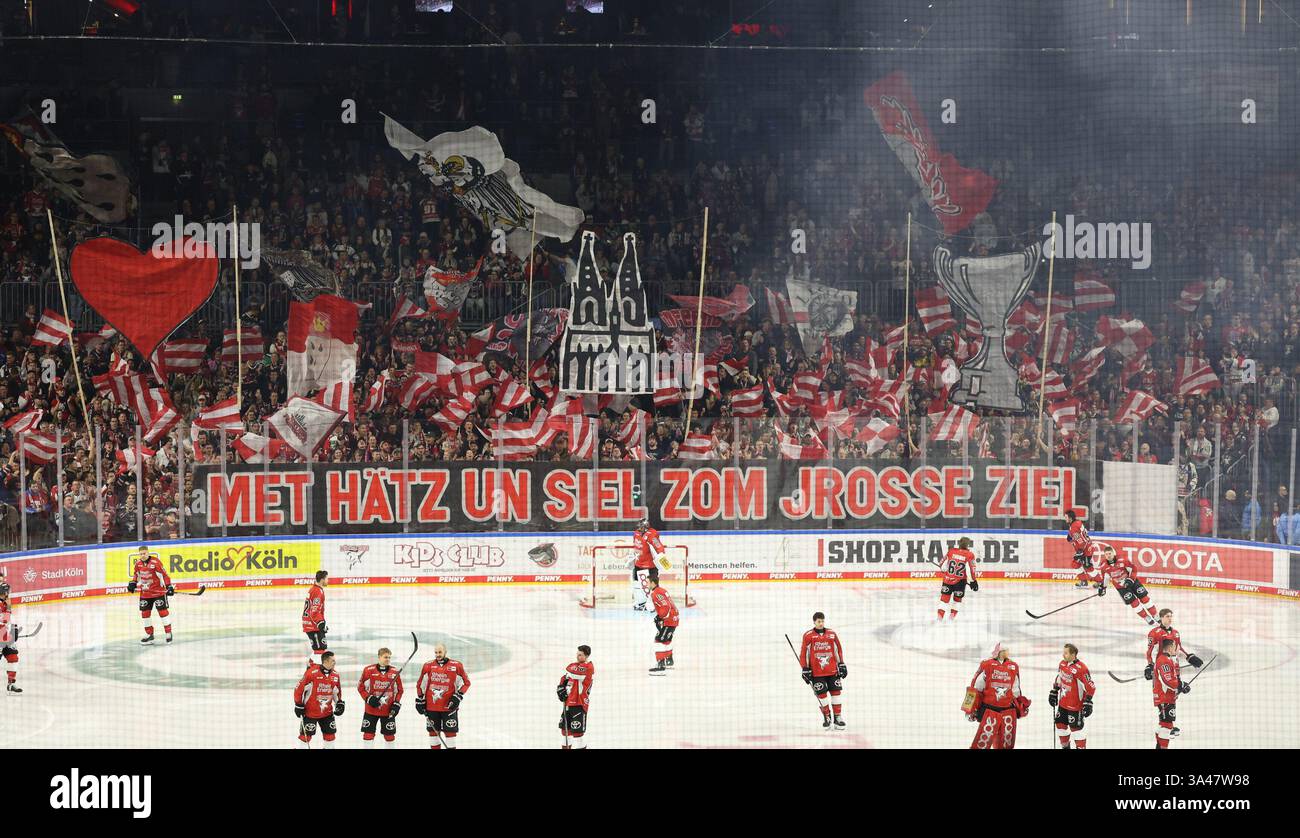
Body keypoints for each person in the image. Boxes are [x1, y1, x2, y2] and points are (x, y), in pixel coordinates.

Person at [965, 642, 1029, 749]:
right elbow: (976, 688)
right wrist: (969, 709)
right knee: (982, 743)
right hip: (989, 711)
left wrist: (1020, 706)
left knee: (1005, 744)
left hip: (1007, 711)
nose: (1007, 652)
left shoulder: (1013, 666)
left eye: (1007, 650)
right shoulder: (987, 665)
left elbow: (1015, 689)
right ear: (999, 652)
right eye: (1005, 650)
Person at [415, 643, 471, 750]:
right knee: (433, 735)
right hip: (431, 707)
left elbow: (466, 683)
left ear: (445, 652)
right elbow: (420, 685)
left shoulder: (456, 666)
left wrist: (457, 697)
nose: (438, 654)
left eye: (440, 652)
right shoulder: (428, 666)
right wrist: (420, 700)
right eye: (436, 652)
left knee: (450, 735)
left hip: (449, 707)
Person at [799, 612, 847, 730]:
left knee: (836, 694)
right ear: (814, 622)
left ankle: (837, 717)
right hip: (817, 672)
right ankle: (827, 716)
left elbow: (838, 650)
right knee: (822, 696)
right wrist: (805, 668)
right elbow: (803, 654)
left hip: (832, 671)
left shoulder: (831, 634)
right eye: (819, 621)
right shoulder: (808, 636)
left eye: (822, 621)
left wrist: (841, 664)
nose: (821, 623)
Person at [1097, 544, 1159, 625]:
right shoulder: (1103, 566)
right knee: (1134, 603)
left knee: (1144, 598)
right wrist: (1102, 588)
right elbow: (1105, 578)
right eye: (1106, 554)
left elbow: (1134, 569)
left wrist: (1130, 580)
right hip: (1121, 588)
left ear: (1113, 553)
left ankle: (1155, 615)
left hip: (1132, 582)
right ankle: (1146, 617)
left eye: (1109, 553)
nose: (1108, 556)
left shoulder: (1123, 560)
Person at [1049, 643, 1095, 749]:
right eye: (1063, 652)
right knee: (1060, 725)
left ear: (1073, 654)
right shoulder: (1062, 664)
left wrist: (1088, 701)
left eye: (1066, 653)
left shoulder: (1081, 669)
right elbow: (1059, 678)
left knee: (1077, 729)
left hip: (1075, 706)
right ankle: (1065, 747)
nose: (1063, 655)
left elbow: (1091, 686)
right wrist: (1054, 691)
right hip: (1063, 703)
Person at [294, 651, 344, 749]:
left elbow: (336, 692)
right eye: (333, 660)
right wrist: (298, 704)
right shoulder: (311, 673)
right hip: (310, 712)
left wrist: (339, 703)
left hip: (327, 713)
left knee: (330, 736)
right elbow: (298, 689)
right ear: (325, 661)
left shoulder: (335, 675)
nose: (335, 662)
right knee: (305, 737)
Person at [357, 647, 403, 749]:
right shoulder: (368, 670)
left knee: (389, 736)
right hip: (371, 710)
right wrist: (368, 698)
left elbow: (400, 690)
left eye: (389, 657)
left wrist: (396, 704)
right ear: (379, 657)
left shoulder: (395, 672)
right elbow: (360, 688)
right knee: (368, 735)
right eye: (385, 657)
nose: (388, 659)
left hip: (388, 711)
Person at [127, 545, 174, 644]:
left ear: (148, 553)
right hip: (145, 593)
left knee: (163, 612)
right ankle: (149, 635)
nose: (142, 555)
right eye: (141, 554)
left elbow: (164, 575)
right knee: (145, 614)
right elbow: (136, 575)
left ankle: (168, 633)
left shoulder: (155, 562)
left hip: (158, 592)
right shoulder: (138, 564)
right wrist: (133, 583)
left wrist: (169, 586)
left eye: (144, 553)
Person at [1144, 609, 1204, 682]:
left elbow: (1179, 648)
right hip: (1162, 667)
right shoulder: (1154, 633)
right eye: (1167, 616)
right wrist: (1150, 665)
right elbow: (1150, 651)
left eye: (1171, 616)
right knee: (1162, 691)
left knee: (1176, 688)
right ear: (1161, 618)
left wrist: (1188, 657)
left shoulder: (1175, 633)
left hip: (1175, 667)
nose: (1170, 618)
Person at [1152, 638, 1190, 749]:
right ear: (1169, 647)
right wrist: (1180, 685)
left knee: (1164, 724)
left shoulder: (1166, 659)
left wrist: (1180, 687)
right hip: (1164, 697)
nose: (1176, 649)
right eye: (1174, 647)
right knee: (1167, 726)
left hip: (1165, 696)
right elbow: (1167, 680)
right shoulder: (1164, 660)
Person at [558, 645, 594, 749]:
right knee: (565, 732)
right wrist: (560, 688)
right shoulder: (575, 665)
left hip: (579, 704)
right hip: (568, 703)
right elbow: (565, 677)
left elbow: (573, 672)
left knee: (578, 735)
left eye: (580, 655)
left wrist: (569, 672)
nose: (578, 656)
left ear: (586, 656)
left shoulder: (589, 667)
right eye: (577, 654)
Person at [937, 536, 978, 621]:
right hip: (960, 582)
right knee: (957, 600)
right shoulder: (970, 555)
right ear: (968, 545)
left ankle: (939, 618)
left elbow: (941, 563)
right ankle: (951, 619)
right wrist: (973, 581)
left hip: (947, 580)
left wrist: (944, 571)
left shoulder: (951, 551)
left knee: (944, 600)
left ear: (959, 543)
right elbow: (972, 570)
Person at [630, 518, 668, 611]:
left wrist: (661, 555)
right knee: (637, 584)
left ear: (646, 527)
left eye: (641, 526)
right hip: (638, 564)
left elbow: (659, 546)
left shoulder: (652, 535)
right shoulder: (636, 534)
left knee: (653, 586)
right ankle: (640, 602)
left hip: (650, 566)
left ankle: (655, 603)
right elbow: (636, 547)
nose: (638, 528)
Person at [647, 570, 679, 675]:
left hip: (669, 620)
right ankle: (669, 661)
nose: (647, 584)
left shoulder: (655, 593)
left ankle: (661, 666)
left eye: (648, 582)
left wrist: (661, 618)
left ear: (653, 583)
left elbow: (665, 606)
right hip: (673, 618)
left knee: (659, 640)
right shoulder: (662, 590)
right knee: (666, 640)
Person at [1064, 510, 1095, 589]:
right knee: (1075, 564)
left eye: (1066, 517)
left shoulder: (1073, 527)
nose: (1065, 519)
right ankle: (1084, 582)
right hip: (1087, 547)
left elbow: (1080, 540)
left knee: (1088, 567)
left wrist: (1080, 552)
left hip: (1085, 549)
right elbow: (1080, 534)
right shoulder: (1077, 522)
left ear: (1070, 518)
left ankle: (1100, 582)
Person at [302, 570, 328, 662]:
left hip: (311, 624)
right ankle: (311, 671)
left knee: (320, 648)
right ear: (322, 580)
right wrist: (321, 624)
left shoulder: (314, 589)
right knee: (320, 649)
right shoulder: (317, 591)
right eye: (326, 578)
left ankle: (310, 668)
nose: (328, 580)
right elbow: (314, 611)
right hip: (313, 626)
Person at [0, 581, 20, 694]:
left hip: (4, 636)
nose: (9, 593)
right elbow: (4, 621)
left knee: (13, 657)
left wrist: (14, 629)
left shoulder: (4, 603)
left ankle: (11, 683)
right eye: (7, 591)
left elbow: (7, 621)